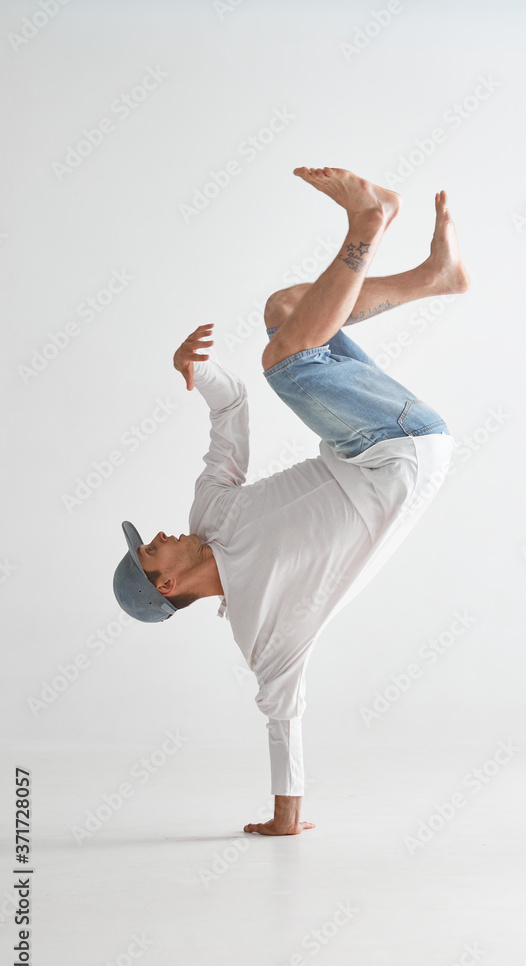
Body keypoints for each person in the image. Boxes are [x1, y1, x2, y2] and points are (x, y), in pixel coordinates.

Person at [112, 167, 470, 835]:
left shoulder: (208, 513)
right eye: (149, 547)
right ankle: (368, 223)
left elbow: (232, 408)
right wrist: (286, 817)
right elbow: (283, 714)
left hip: (372, 435)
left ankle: (435, 276)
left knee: (285, 313)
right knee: (286, 357)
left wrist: (194, 371)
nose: (158, 534)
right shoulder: (262, 626)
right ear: (163, 582)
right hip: (400, 458)